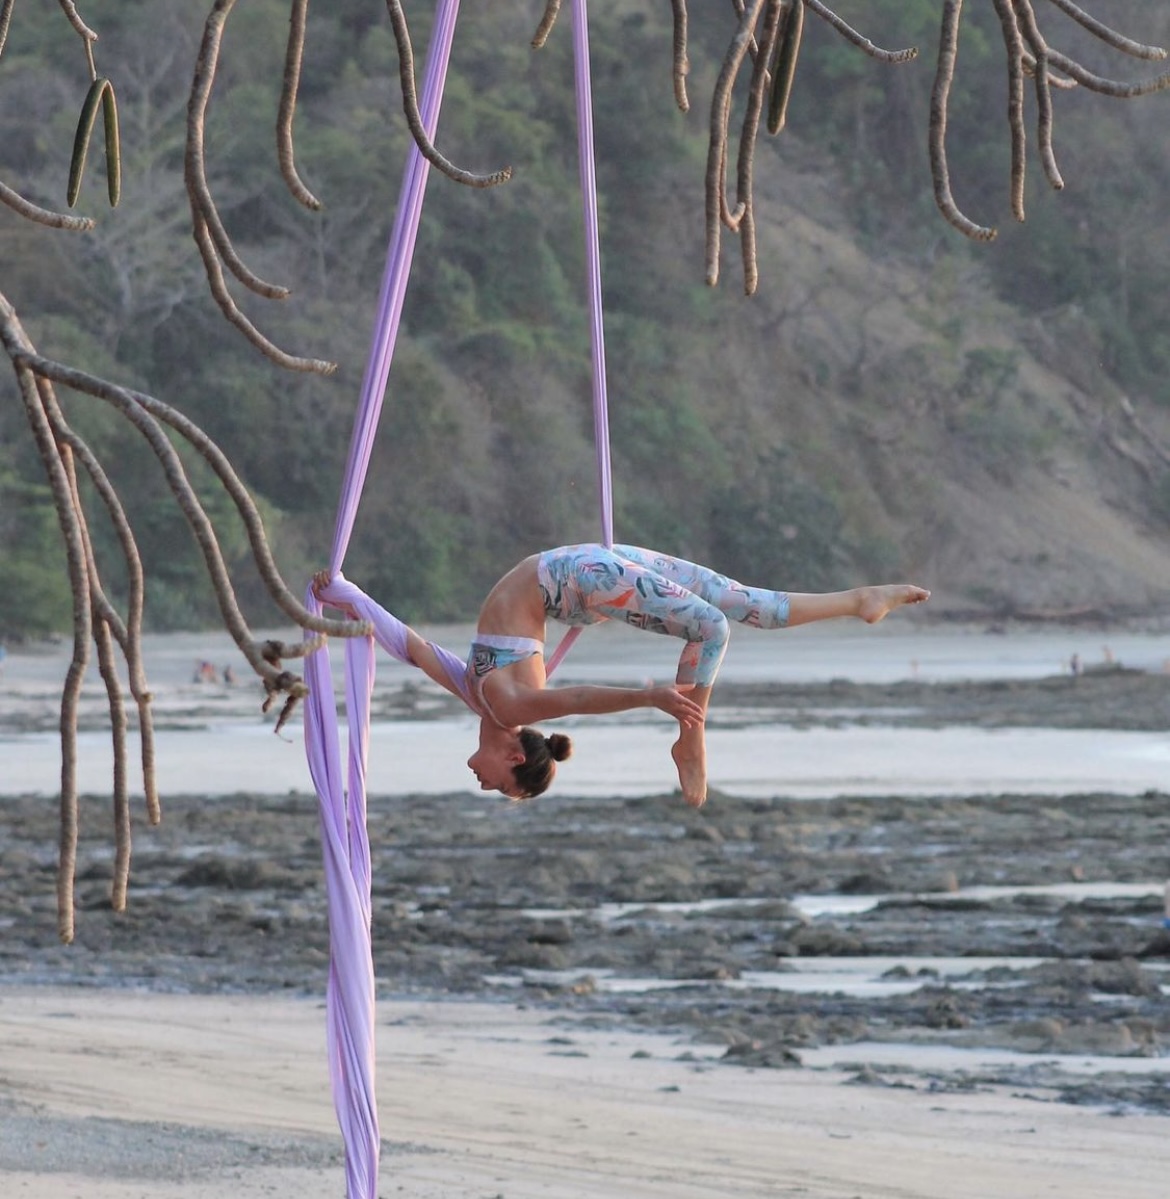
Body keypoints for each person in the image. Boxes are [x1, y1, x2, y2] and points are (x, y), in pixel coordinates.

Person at [313, 544, 929, 807]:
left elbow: (407, 644)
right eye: (504, 788)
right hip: (581, 578)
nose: (487, 787)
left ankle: (856, 602)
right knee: (727, 618)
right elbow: (575, 696)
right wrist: (649, 697)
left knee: (725, 616)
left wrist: (348, 595)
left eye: (500, 791)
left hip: (580, 576)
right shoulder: (504, 705)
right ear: (513, 757)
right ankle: (858, 601)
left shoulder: (492, 702)